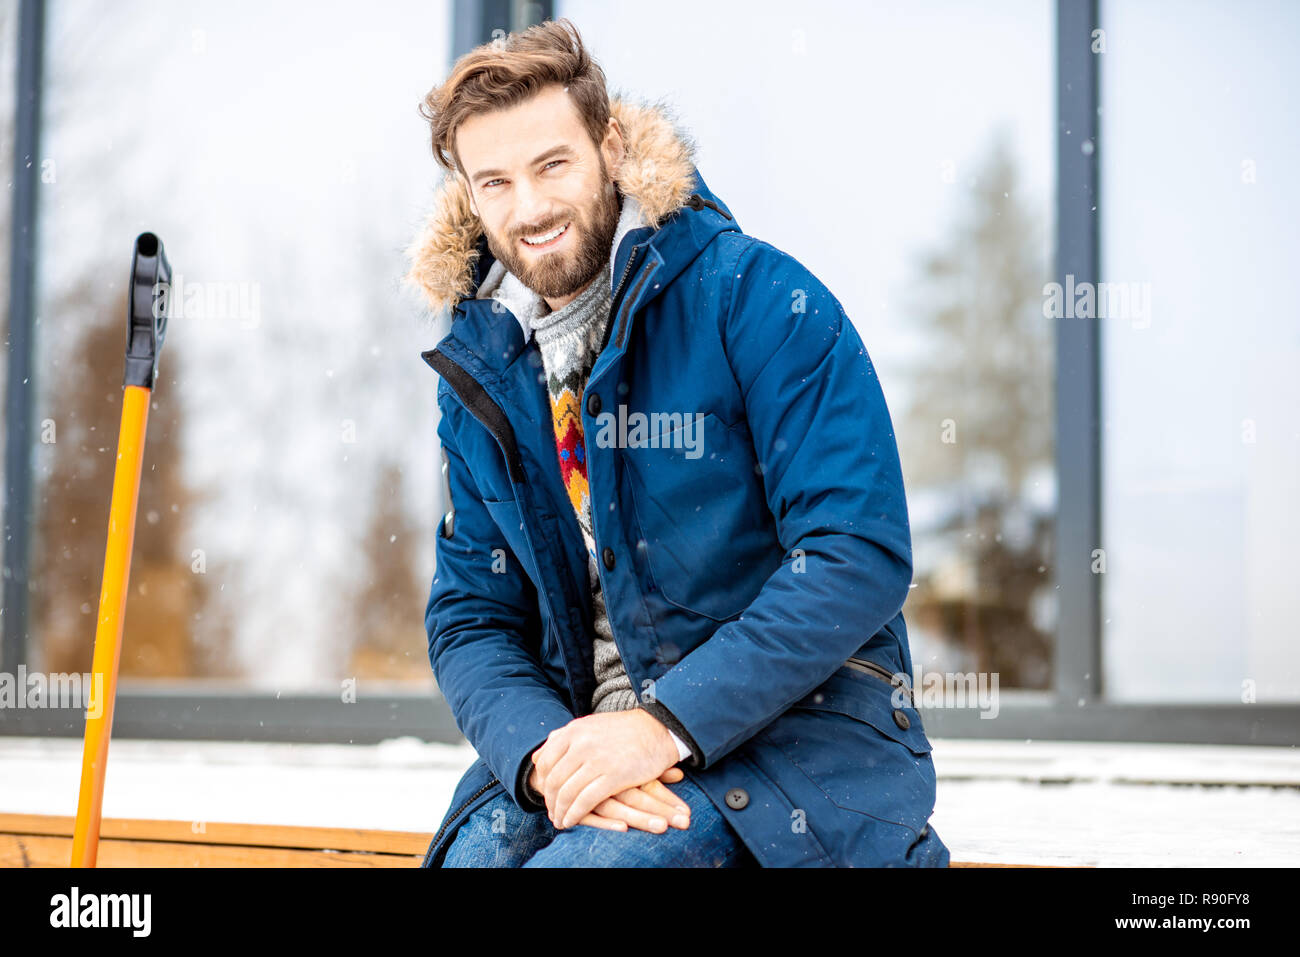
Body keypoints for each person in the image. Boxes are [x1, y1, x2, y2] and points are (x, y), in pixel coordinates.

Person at [406, 17, 950, 868]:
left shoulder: (757, 299)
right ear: (470, 198)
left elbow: (855, 553)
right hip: (580, 753)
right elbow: (471, 613)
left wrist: (660, 729)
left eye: (552, 164)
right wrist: (547, 752)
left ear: (610, 143)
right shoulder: (483, 368)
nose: (531, 207)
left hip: (787, 752)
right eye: (497, 182)